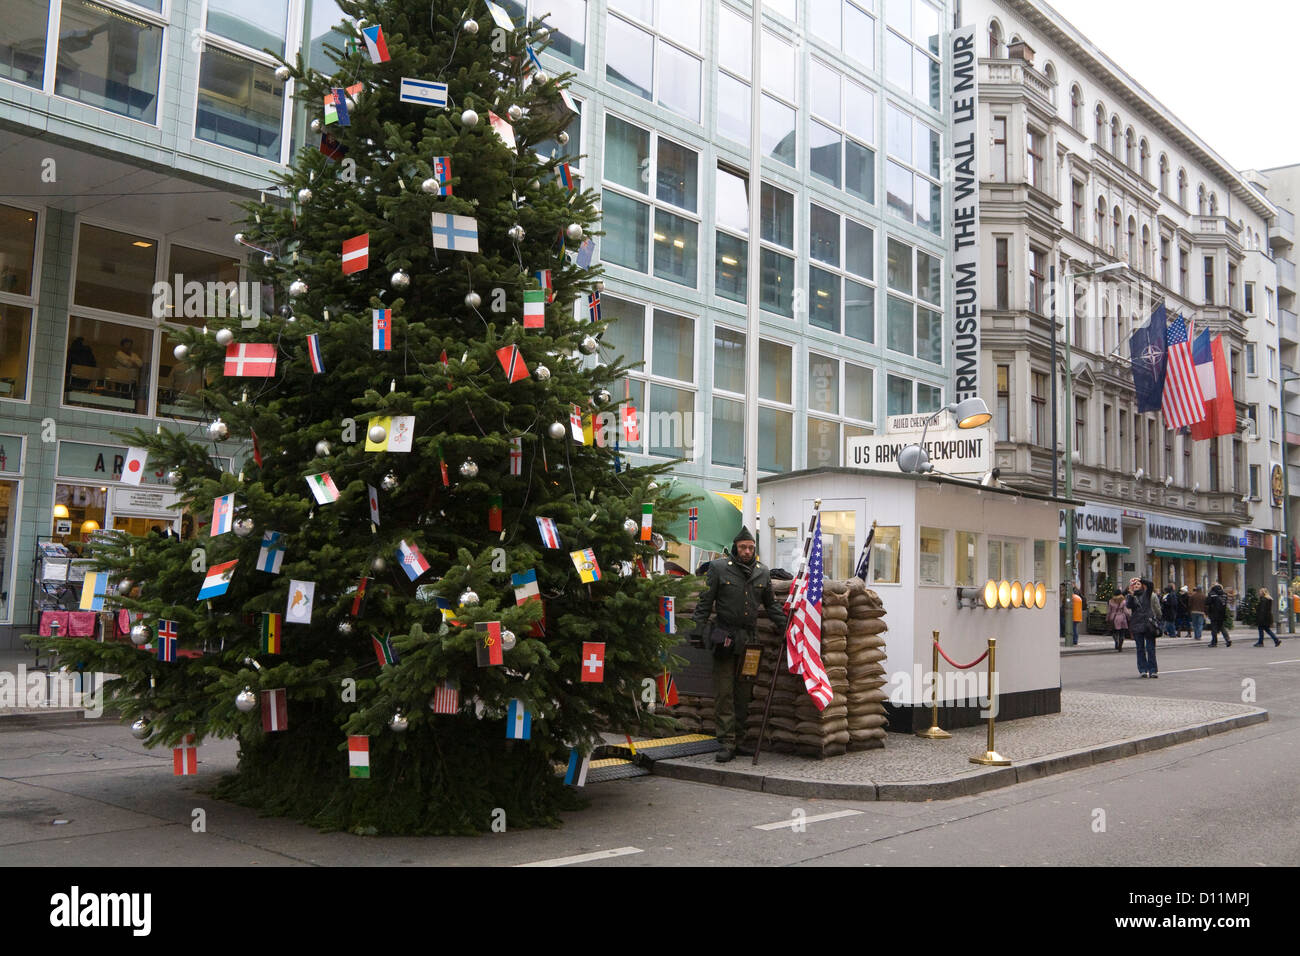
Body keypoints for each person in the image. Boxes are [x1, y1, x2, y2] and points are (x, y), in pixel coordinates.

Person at [692, 527, 786, 763]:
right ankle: (726, 742)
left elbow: (772, 605)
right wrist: (697, 630)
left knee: (744, 692)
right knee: (725, 692)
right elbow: (705, 602)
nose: (747, 551)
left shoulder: (762, 573)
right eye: (743, 547)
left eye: (751, 548)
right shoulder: (718, 568)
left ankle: (740, 739)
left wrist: (786, 626)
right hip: (724, 637)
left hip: (750, 641)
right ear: (736, 548)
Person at [1126, 576, 1162, 678]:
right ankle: (1143, 669)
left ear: (1142, 586)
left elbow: (1150, 585)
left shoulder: (1147, 594)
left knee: (1150, 648)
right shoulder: (1131, 596)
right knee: (1140, 648)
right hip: (1137, 624)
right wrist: (1131, 595)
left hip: (1148, 624)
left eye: (1138, 584)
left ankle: (1153, 670)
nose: (1136, 586)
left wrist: (1141, 579)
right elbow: (1129, 606)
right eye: (1134, 585)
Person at [1206, 583, 1231, 648]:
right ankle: (1228, 639)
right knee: (1222, 627)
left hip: (1214, 613)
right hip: (1222, 613)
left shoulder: (1212, 594)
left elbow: (1207, 602)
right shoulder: (1224, 594)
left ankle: (1214, 642)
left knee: (1214, 628)